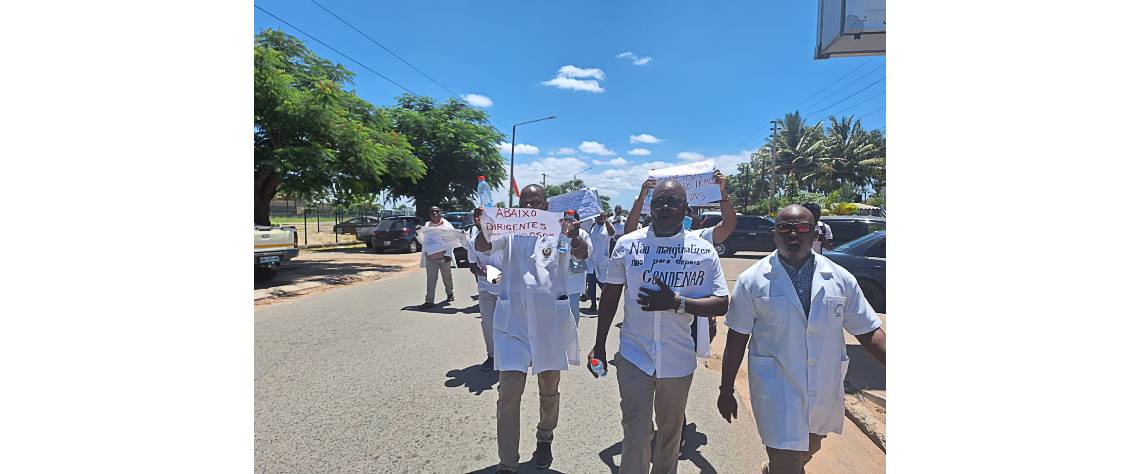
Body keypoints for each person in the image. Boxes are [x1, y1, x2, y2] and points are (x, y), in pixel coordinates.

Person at [717, 204, 887, 474]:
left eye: (802, 227)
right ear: (774, 234)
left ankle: (775, 468)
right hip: (776, 390)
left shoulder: (841, 279)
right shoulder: (752, 281)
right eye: (784, 228)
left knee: (809, 447)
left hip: (822, 389)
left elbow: (868, 331)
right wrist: (726, 389)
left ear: (815, 233)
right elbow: (737, 337)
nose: (793, 234)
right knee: (788, 462)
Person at [589, 179, 730, 474]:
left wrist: (676, 303)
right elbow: (611, 297)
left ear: (685, 209)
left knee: (670, 435)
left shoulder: (703, 251)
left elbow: (721, 303)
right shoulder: (628, 245)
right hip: (633, 356)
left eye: (672, 201)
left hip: (678, 361)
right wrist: (600, 344)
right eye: (659, 202)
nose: (665, 207)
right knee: (636, 434)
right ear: (650, 208)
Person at [474, 184, 591, 473]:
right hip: (513, 325)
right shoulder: (508, 229)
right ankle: (507, 462)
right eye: (524, 202)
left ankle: (544, 437)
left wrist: (573, 236)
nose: (529, 207)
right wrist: (484, 226)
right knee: (509, 394)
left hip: (549, 325)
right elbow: (483, 246)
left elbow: (580, 254)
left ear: (546, 204)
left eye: (535, 202)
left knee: (549, 390)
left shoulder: (560, 229)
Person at [467, 208, 501, 370]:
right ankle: (492, 356)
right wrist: (486, 275)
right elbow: (473, 266)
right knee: (488, 323)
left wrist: (501, 277)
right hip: (486, 289)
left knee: (509, 324)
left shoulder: (503, 238)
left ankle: (511, 356)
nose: (484, 219)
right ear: (476, 220)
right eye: (480, 217)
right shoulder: (472, 242)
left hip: (507, 290)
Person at [419, 206, 455, 309]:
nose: (434, 213)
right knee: (431, 280)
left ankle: (449, 292)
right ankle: (429, 300)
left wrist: (448, 254)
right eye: (432, 212)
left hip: (444, 257)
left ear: (440, 213)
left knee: (447, 278)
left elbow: (451, 240)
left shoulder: (447, 225)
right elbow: (422, 241)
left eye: (436, 211)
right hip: (431, 258)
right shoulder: (426, 226)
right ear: (429, 214)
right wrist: (418, 232)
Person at [583, 211, 615, 312]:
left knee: (603, 284)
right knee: (591, 283)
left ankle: (609, 302)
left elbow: (612, 233)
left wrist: (606, 221)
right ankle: (593, 304)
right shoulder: (593, 226)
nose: (600, 217)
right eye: (598, 216)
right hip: (591, 260)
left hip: (602, 260)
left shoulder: (607, 227)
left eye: (602, 216)